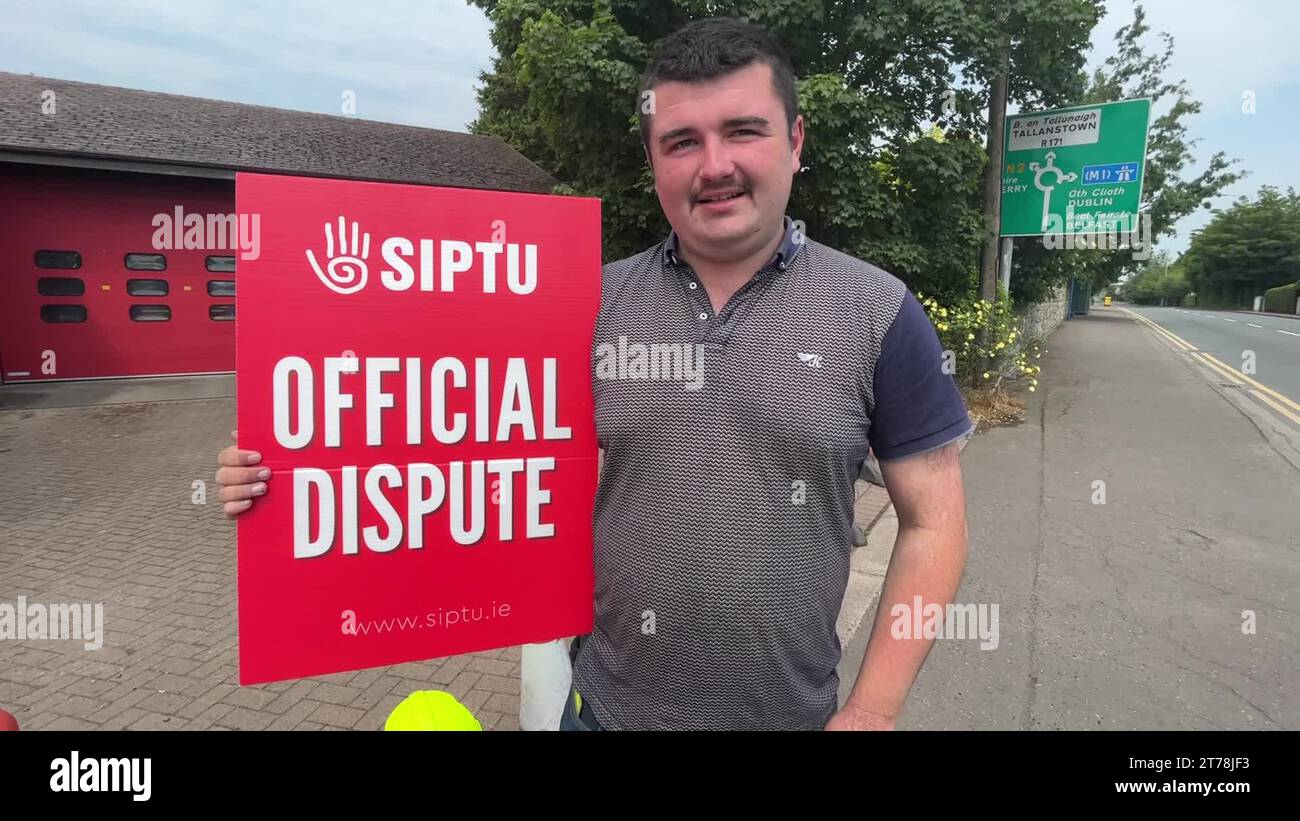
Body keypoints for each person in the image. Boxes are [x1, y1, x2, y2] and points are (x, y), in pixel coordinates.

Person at [219, 16, 974, 731]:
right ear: (653, 162)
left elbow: (935, 522)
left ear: (795, 139)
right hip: (603, 712)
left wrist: (873, 710)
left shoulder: (879, 313)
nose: (715, 165)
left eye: (743, 130)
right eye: (681, 141)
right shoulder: (579, 301)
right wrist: (281, 471)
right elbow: (435, 433)